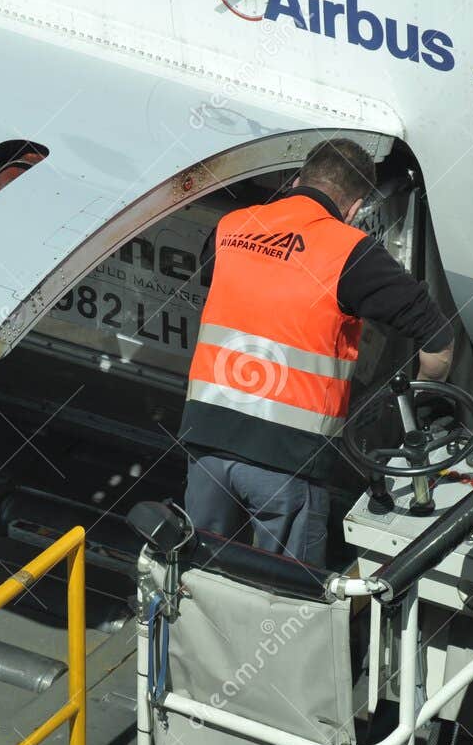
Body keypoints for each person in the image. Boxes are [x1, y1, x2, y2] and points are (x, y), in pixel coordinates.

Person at [179, 139, 454, 565]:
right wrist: (419, 399)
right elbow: (437, 341)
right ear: (354, 206)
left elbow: (221, 281)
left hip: (207, 445)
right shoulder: (351, 252)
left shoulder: (232, 225)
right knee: (283, 590)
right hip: (285, 463)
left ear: (296, 179)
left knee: (197, 577)